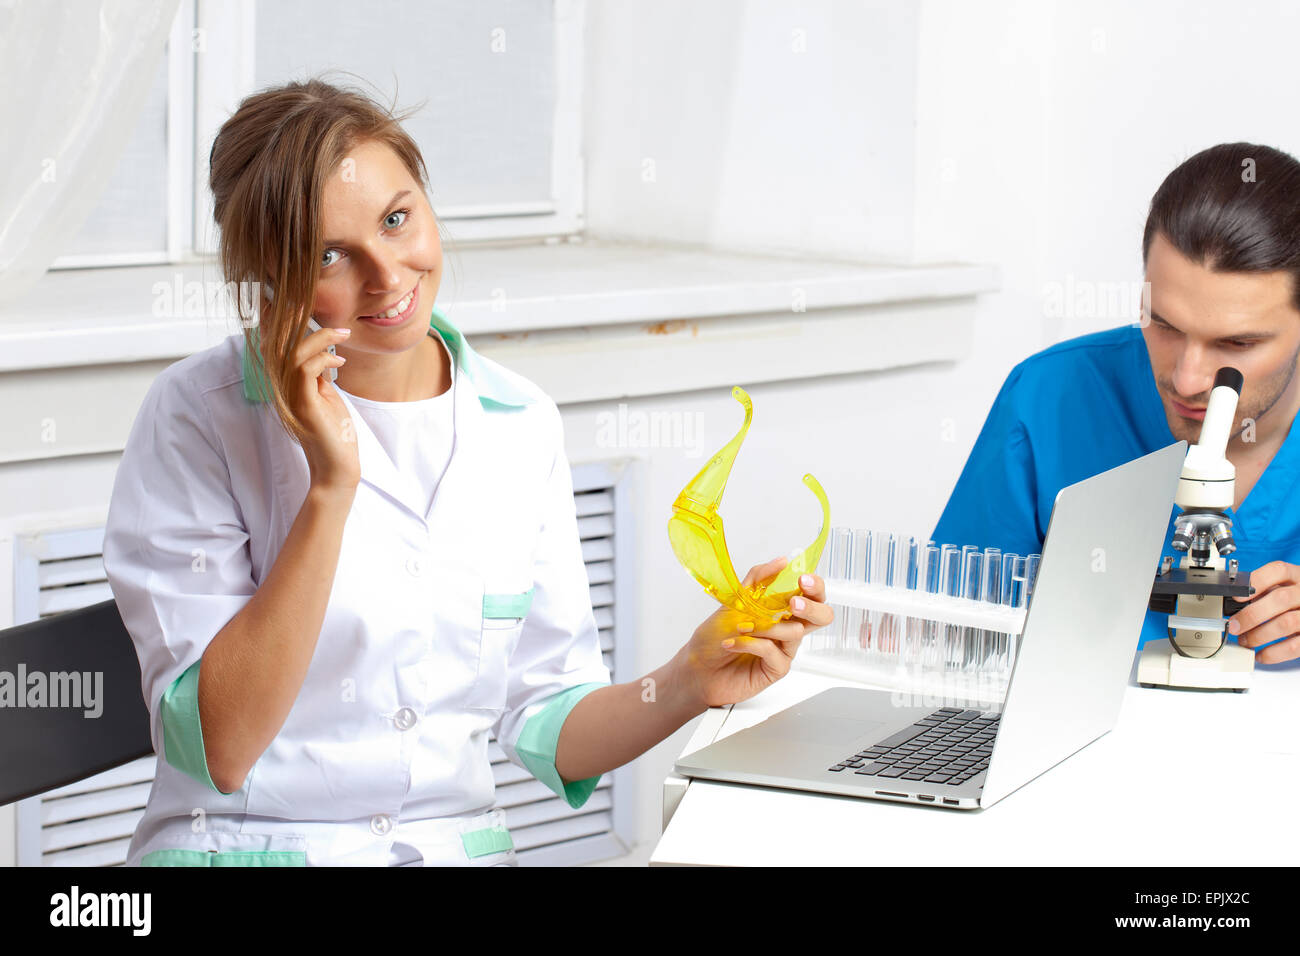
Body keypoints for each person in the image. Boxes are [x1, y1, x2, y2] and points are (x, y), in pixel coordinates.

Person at [102, 78, 833, 867]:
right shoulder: (197, 416)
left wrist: (691, 678)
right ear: (269, 278)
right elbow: (222, 748)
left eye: (396, 218)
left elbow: (552, 721)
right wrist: (328, 491)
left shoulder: (518, 423)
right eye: (329, 255)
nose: (387, 276)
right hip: (252, 846)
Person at [931, 142, 1300, 665]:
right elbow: (947, 639)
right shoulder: (1050, 397)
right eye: (1165, 325)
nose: (1188, 378)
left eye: (1236, 344)